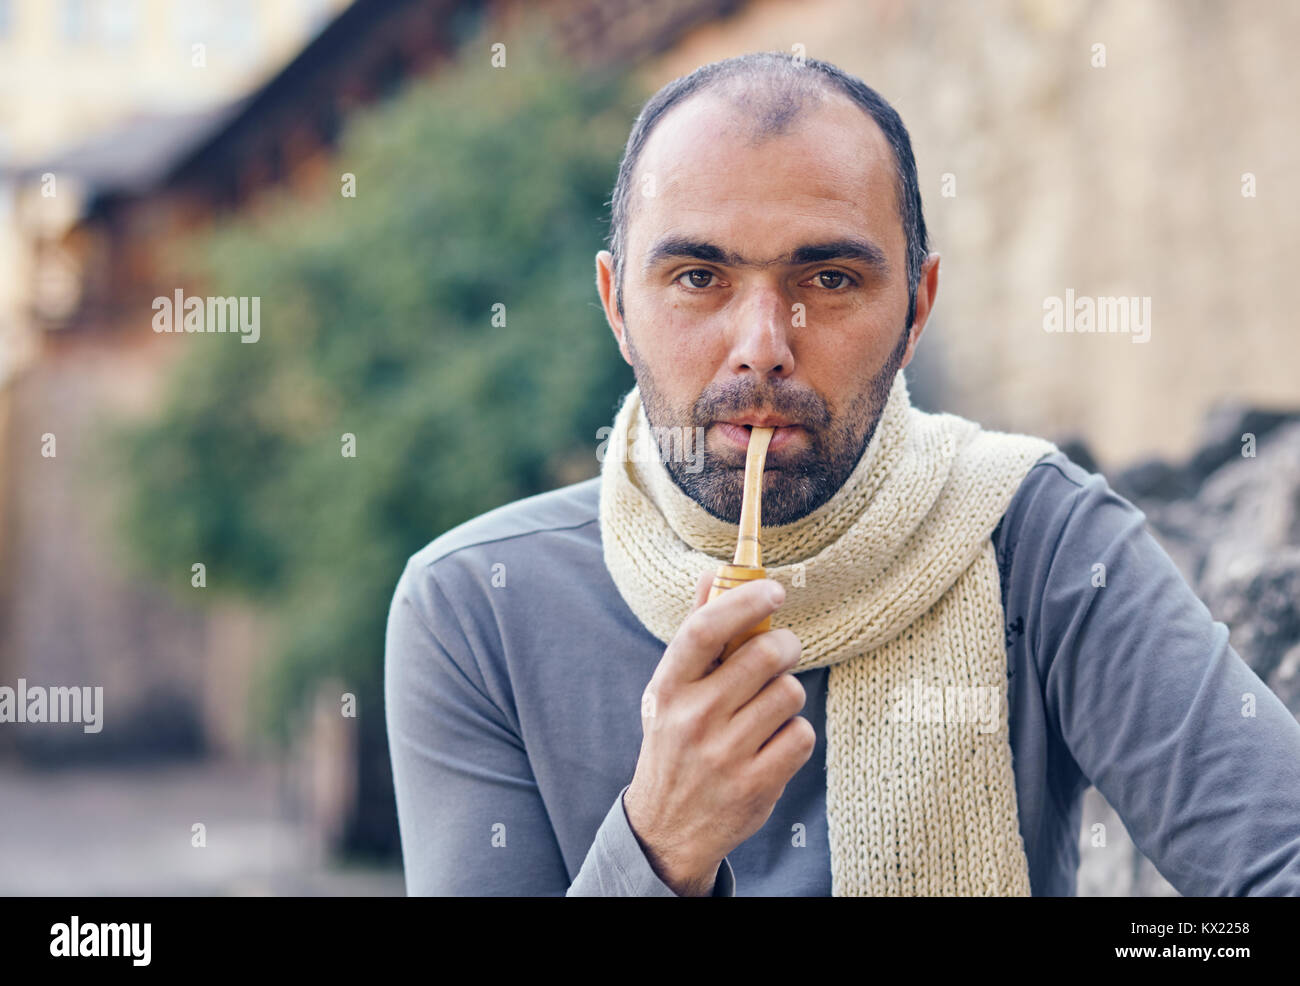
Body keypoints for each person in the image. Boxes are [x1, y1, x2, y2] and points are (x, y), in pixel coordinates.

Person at [384, 51, 1300, 896]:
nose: (763, 347)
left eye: (828, 279)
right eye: (699, 277)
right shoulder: (475, 606)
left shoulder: (1042, 539)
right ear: (617, 305)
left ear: (916, 310)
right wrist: (658, 845)